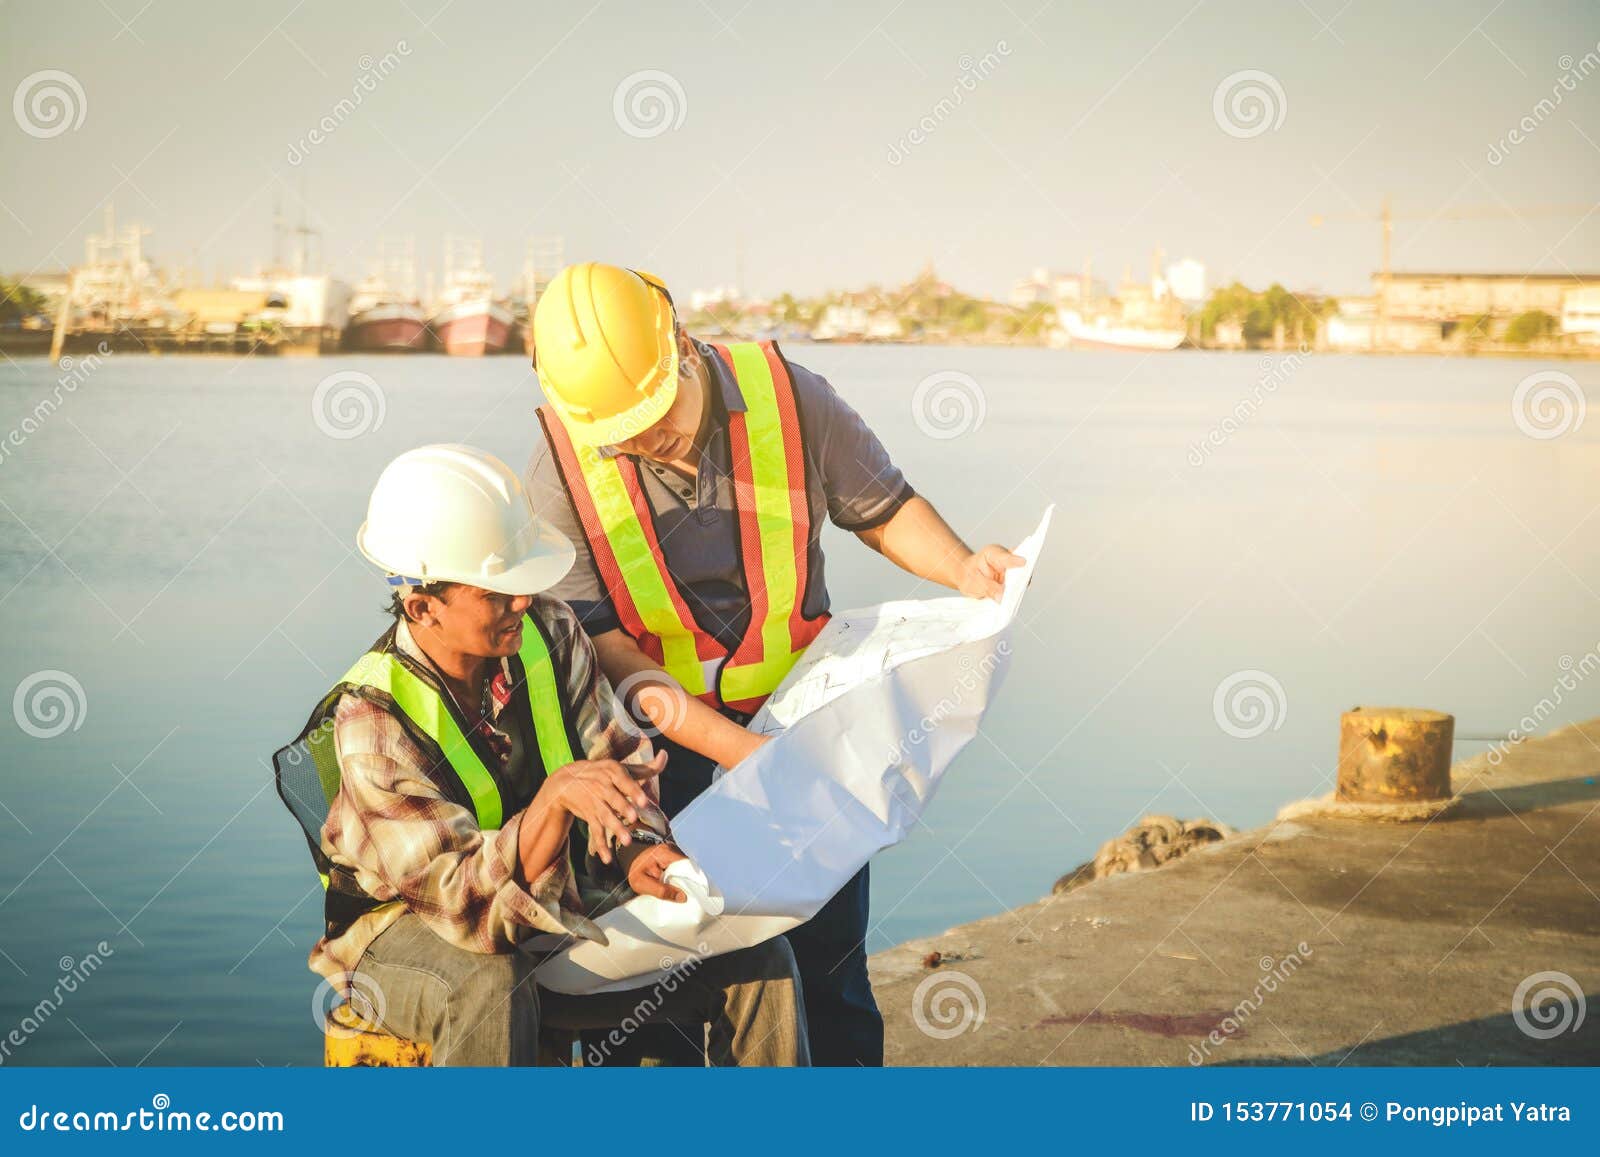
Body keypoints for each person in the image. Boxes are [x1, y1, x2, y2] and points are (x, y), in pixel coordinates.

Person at [526, 262, 1022, 1065]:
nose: (644, 440)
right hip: (658, 760)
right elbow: (603, 648)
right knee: (657, 998)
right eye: (623, 433)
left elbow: (883, 505)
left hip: (803, 732)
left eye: (655, 415)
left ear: (683, 344)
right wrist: (738, 750)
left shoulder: (791, 397)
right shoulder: (563, 456)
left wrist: (965, 568)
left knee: (828, 974)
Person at [272, 443, 809, 1066]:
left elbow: (616, 759)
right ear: (423, 607)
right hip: (404, 931)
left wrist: (637, 849)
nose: (522, 603)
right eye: (497, 593)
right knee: (491, 983)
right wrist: (553, 805)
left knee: (755, 950)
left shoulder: (550, 632)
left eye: (522, 585)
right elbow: (465, 909)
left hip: (547, 898)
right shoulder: (372, 720)